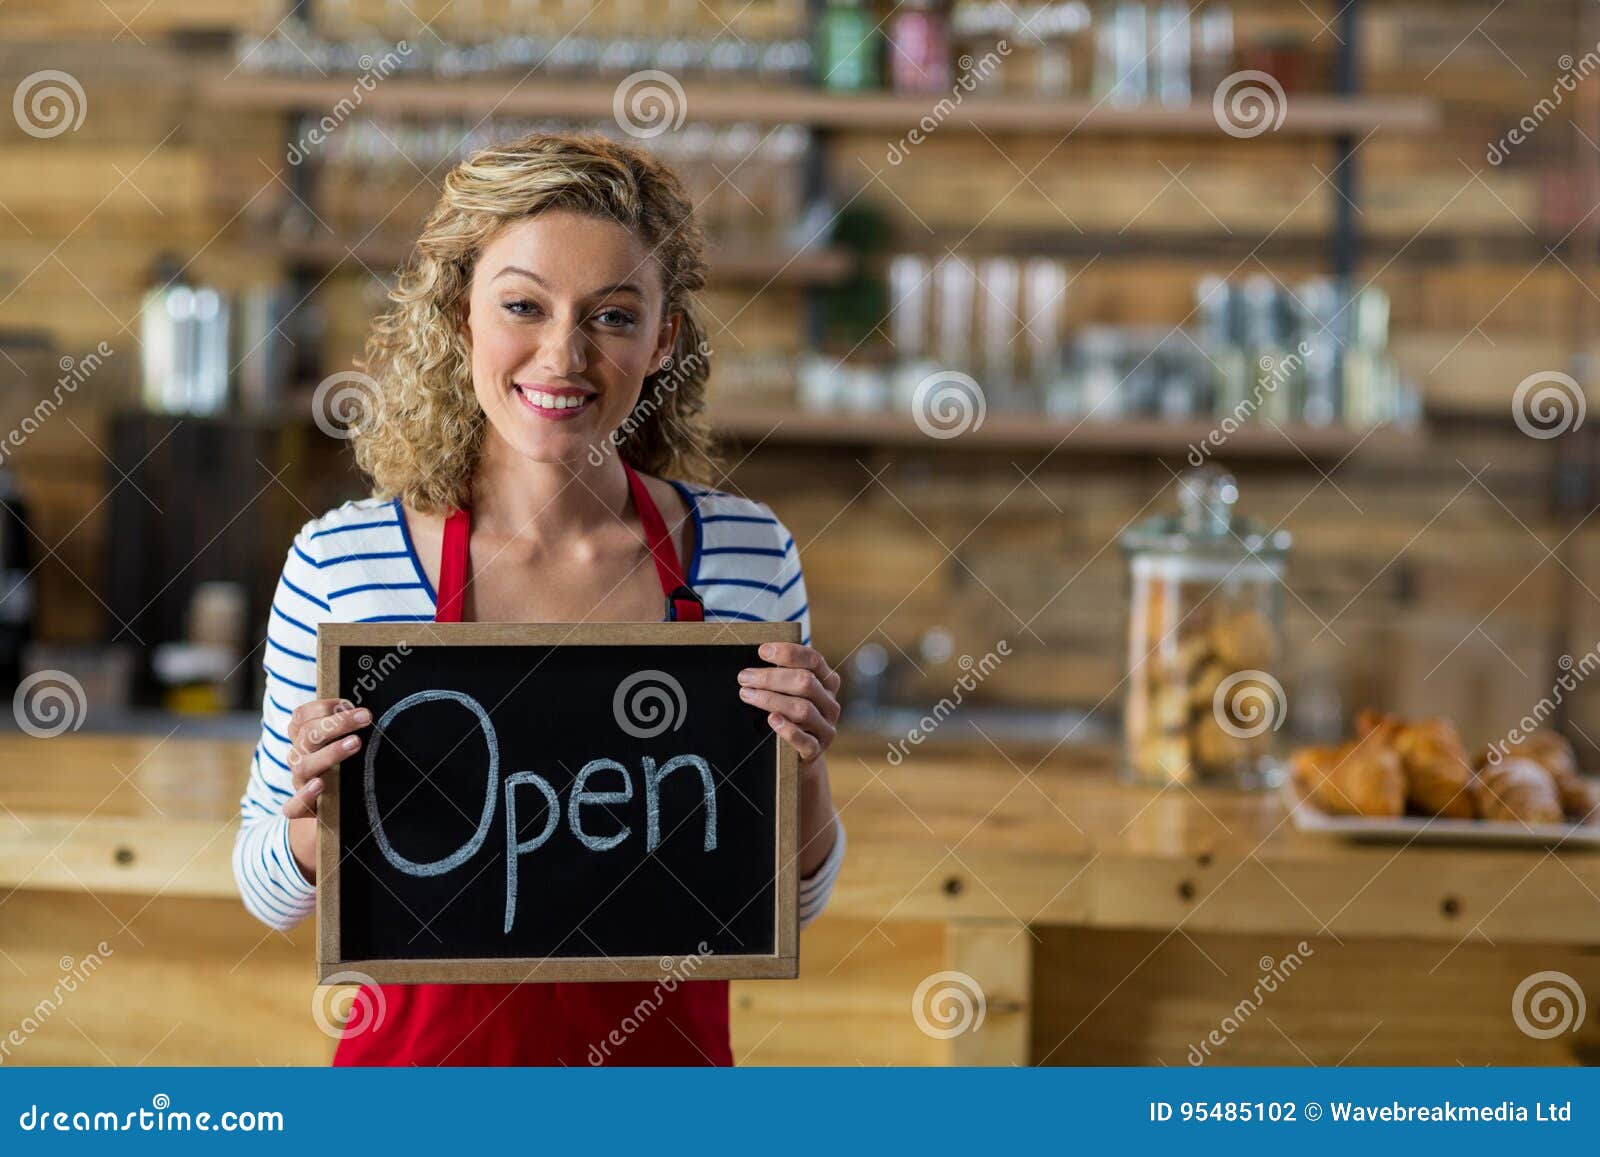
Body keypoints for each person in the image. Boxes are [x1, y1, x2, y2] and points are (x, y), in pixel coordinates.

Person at [232, 131, 845, 1066]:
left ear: (662, 336)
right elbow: (267, 892)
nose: (562, 356)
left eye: (611, 316)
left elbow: (786, 902)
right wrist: (313, 826)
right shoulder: (343, 562)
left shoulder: (746, 555)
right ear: (460, 315)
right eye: (523, 305)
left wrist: (803, 771)